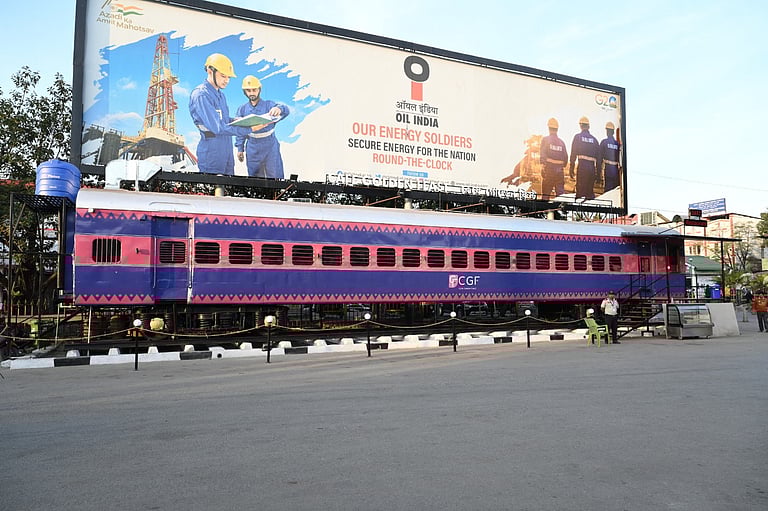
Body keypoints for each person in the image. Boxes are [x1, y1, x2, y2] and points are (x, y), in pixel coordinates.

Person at [189, 53, 252, 175]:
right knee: (214, 190)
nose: (227, 81)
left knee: (227, 189)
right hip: (212, 152)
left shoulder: (221, 95)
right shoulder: (201, 95)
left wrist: (236, 120)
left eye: (229, 77)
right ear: (209, 70)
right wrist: (248, 129)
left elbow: (222, 119)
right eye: (223, 76)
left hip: (226, 149)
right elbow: (217, 127)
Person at [235, 75, 290, 179]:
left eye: (254, 90)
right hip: (252, 146)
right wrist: (240, 149)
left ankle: (276, 194)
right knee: (254, 177)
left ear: (259, 90)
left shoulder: (269, 105)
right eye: (248, 90)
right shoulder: (242, 109)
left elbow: (286, 110)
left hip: (270, 145)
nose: (251, 93)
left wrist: (279, 109)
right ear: (245, 92)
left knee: (275, 175)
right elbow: (239, 131)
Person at [567, 116, 600, 199]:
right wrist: (598, 174)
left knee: (580, 192)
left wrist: (571, 168)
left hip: (582, 167)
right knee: (589, 193)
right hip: (591, 168)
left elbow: (573, 154)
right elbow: (599, 160)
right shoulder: (595, 140)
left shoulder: (577, 137)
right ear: (588, 126)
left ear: (580, 126)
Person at [539, 118, 568, 198]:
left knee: (546, 195)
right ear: (557, 129)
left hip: (549, 170)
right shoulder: (562, 143)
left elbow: (543, 155)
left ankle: (544, 209)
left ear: (549, 128)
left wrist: (543, 167)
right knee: (560, 196)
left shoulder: (545, 140)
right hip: (559, 172)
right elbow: (565, 159)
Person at [599, 121, 621, 192]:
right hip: (616, 170)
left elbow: (599, 158)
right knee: (615, 191)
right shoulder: (617, 144)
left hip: (608, 169)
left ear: (607, 131)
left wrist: (598, 172)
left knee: (608, 191)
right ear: (613, 132)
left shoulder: (604, 142)